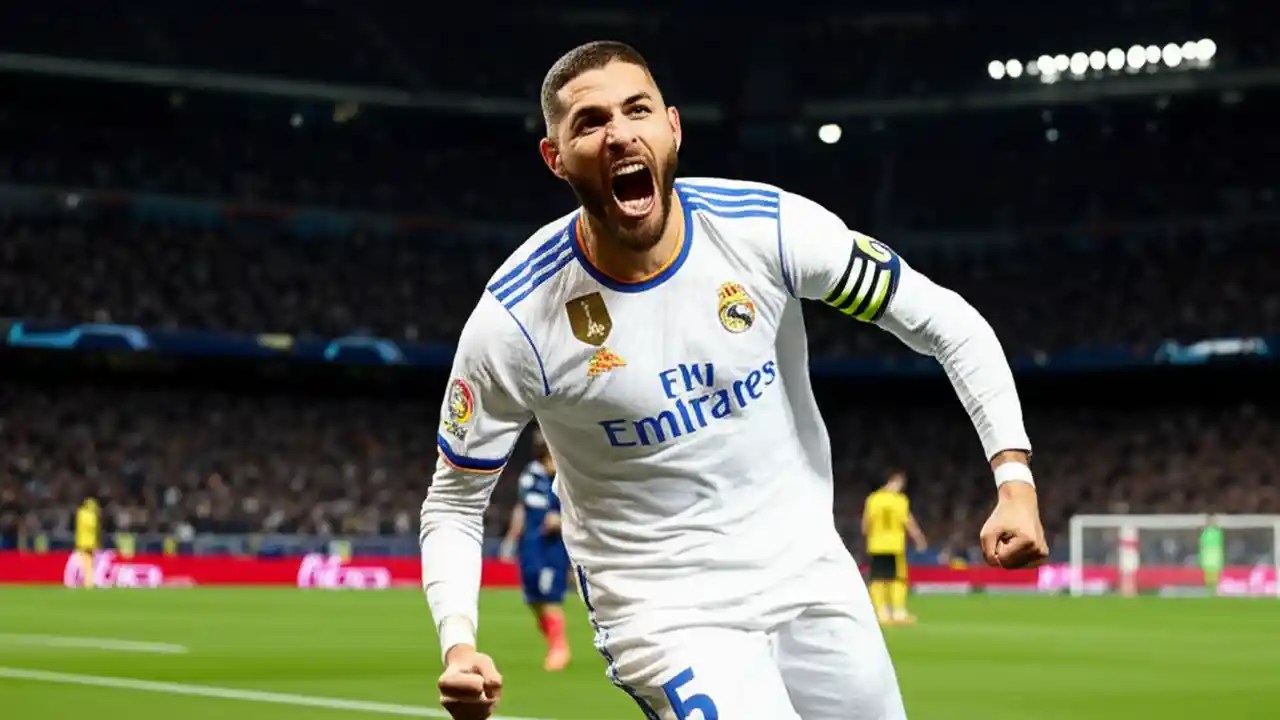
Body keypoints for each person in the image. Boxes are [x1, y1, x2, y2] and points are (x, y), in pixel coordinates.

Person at [420, 40, 1048, 720]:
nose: (620, 133)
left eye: (637, 110)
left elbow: (945, 322)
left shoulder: (767, 232)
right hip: (663, 611)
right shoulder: (516, 320)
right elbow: (454, 500)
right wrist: (459, 644)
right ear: (555, 158)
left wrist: (1013, 478)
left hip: (810, 574)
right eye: (590, 121)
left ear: (673, 128)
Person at [499, 428, 571, 671]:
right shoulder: (530, 474)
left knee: (549, 595)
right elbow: (522, 507)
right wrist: (511, 538)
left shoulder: (567, 476)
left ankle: (559, 648)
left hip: (553, 546)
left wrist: (562, 521)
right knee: (532, 598)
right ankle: (552, 641)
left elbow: (584, 510)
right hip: (530, 544)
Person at [862, 470, 928, 626]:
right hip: (894, 545)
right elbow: (908, 522)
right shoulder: (899, 500)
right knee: (897, 579)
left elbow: (865, 525)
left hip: (876, 545)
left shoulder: (873, 499)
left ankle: (881, 613)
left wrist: (869, 537)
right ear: (894, 481)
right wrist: (919, 539)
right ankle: (898, 612)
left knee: (877, 579)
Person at [74, 496, 100, 589]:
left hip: (82, 541)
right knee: (89, 562)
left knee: (87, 562)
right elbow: (93, 527)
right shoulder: (91, 516)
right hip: (89, 542)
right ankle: (89, 581)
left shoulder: (80, 513)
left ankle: (87, 580)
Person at [1198, 514, 1224, 594]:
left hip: (1215, 554)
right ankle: (1209, 589)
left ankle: (1215, 589)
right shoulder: (1204, 532)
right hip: (1207, 554)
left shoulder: (1217, 532)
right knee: (1208, 572)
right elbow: (1201, 544)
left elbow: (1220, 543)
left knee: (1215, 572)